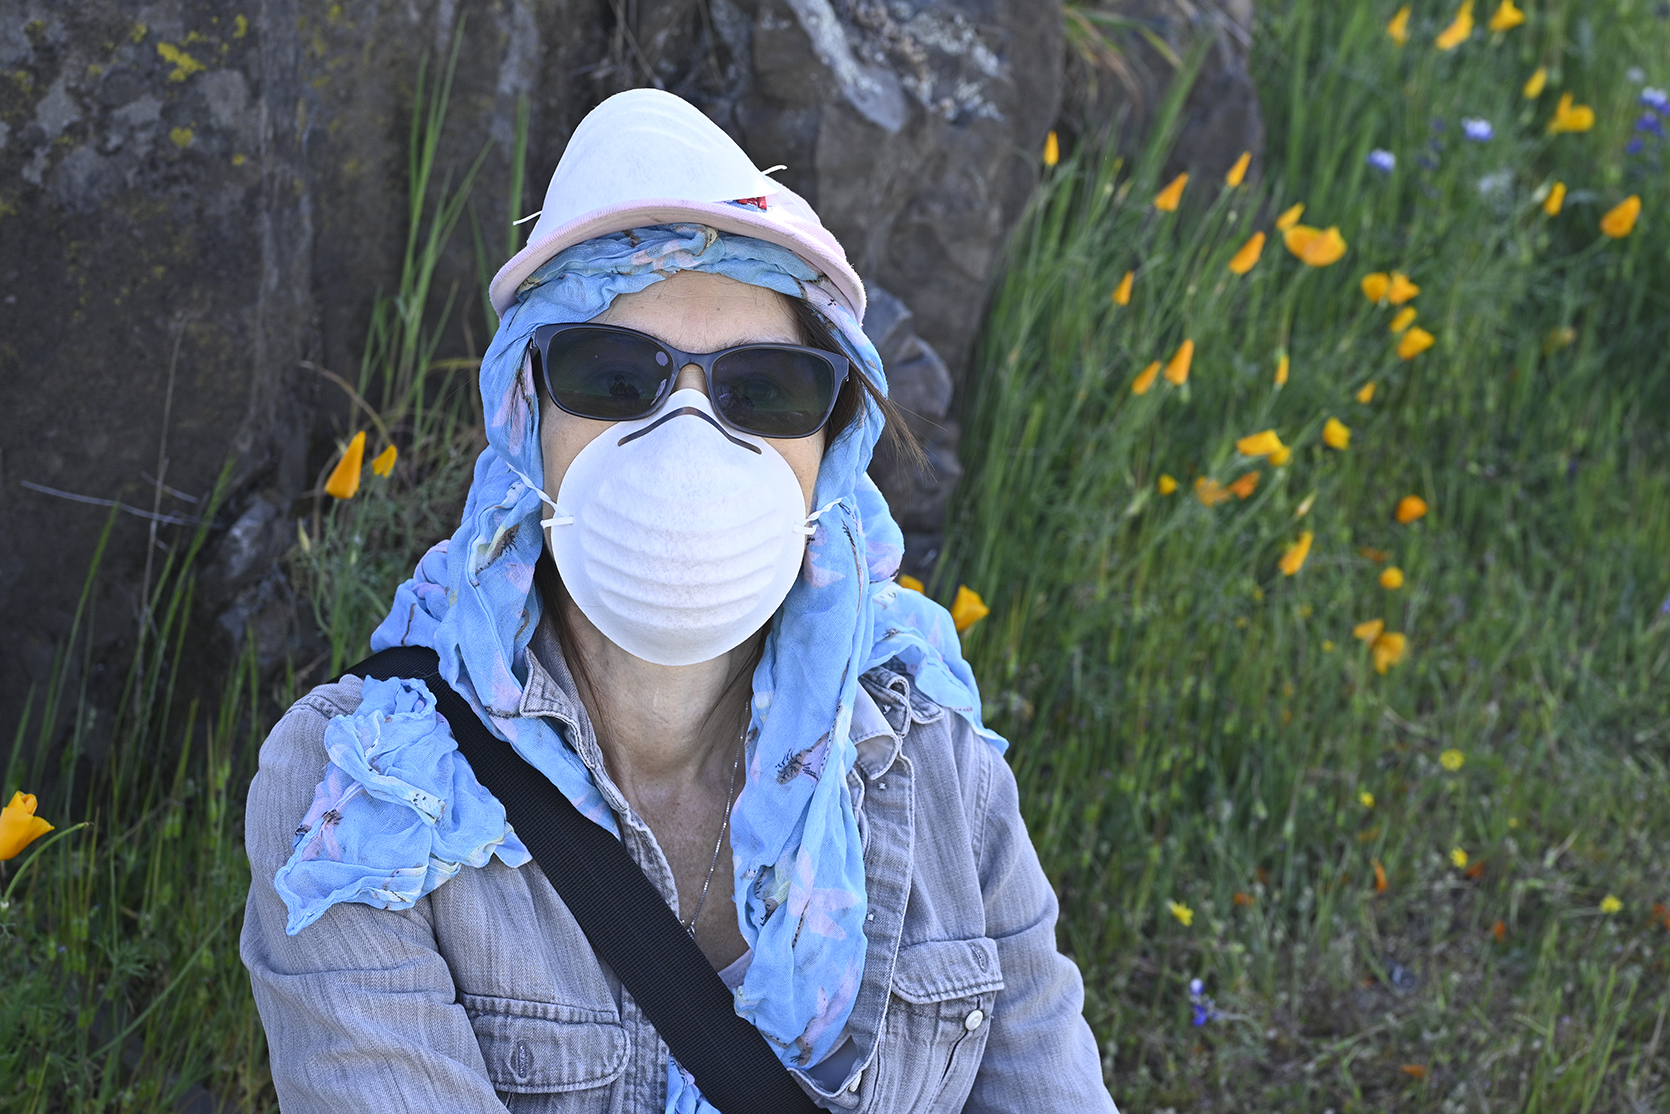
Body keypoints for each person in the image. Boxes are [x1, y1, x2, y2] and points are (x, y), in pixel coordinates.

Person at [240, 88, 1118, 1114]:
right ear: (526, 419)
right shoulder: (363, 798)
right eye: (615, 376)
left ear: (827, 443)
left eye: (765, 388)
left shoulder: (933, 762)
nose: (690, 440)